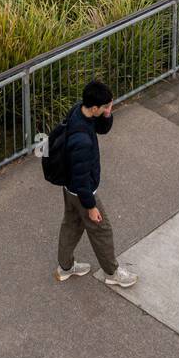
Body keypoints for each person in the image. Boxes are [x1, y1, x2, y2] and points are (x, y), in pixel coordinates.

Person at [54, 80, 138, 288]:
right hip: (82, 191)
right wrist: (91, 207)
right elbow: (82, 178)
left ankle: (65, 267)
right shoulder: (81, 142)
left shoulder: (79, 111)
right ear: (94, 108)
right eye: (107, 106)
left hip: (69, 188)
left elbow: (101, 128)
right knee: (102, 230)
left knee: (72, 224)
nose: (110, 108)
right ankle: (112, 272)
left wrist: (107, 114)